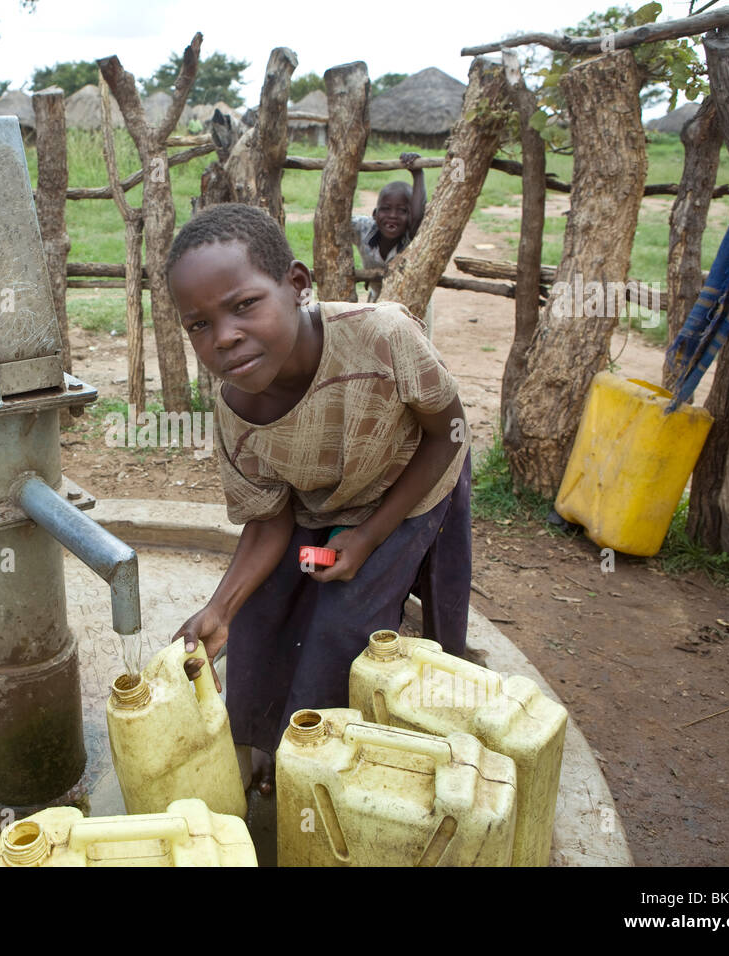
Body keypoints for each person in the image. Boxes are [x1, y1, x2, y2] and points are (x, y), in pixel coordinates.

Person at [167, 203, 472, 795]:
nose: (225, 336)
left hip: (411, 484)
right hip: (323, 504)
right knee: (261, 614)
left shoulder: (381, 336)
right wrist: (221, 608)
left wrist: (368, 537)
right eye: (199, 325)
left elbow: (448, 434)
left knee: (342, 627)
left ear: (297, 285)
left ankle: (318, 763)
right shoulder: (237, 413)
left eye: (244, 305)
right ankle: (261, 744)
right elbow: (267, 525)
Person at [351, 151, 434, 335]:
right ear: (374, 213)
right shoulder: (363, 228)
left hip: (412, 305)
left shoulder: (413, 238)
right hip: (377, 299)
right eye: (385, 209)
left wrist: (418, 173)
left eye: (403, 210)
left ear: (411, 216)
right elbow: (336, 219)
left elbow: (419, 217)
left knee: (413, 354)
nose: (393, 216)